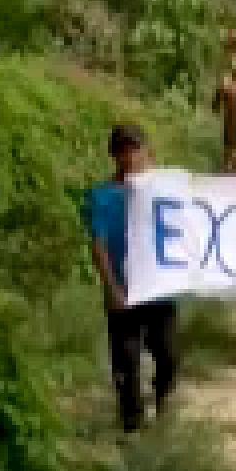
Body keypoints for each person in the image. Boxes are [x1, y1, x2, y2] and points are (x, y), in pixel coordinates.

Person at [85, 124, 178, 432]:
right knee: (126, 360)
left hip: (159, 288)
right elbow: (98, 245)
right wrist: (111, 288)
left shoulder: (165, 189)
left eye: (136, 148)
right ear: (114, 155)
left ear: (147, 151)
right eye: (124, 150)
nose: (131, 156)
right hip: (122, 288)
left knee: (168, 355)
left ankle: (165, 410)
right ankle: (132, 427)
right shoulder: (101, 197)